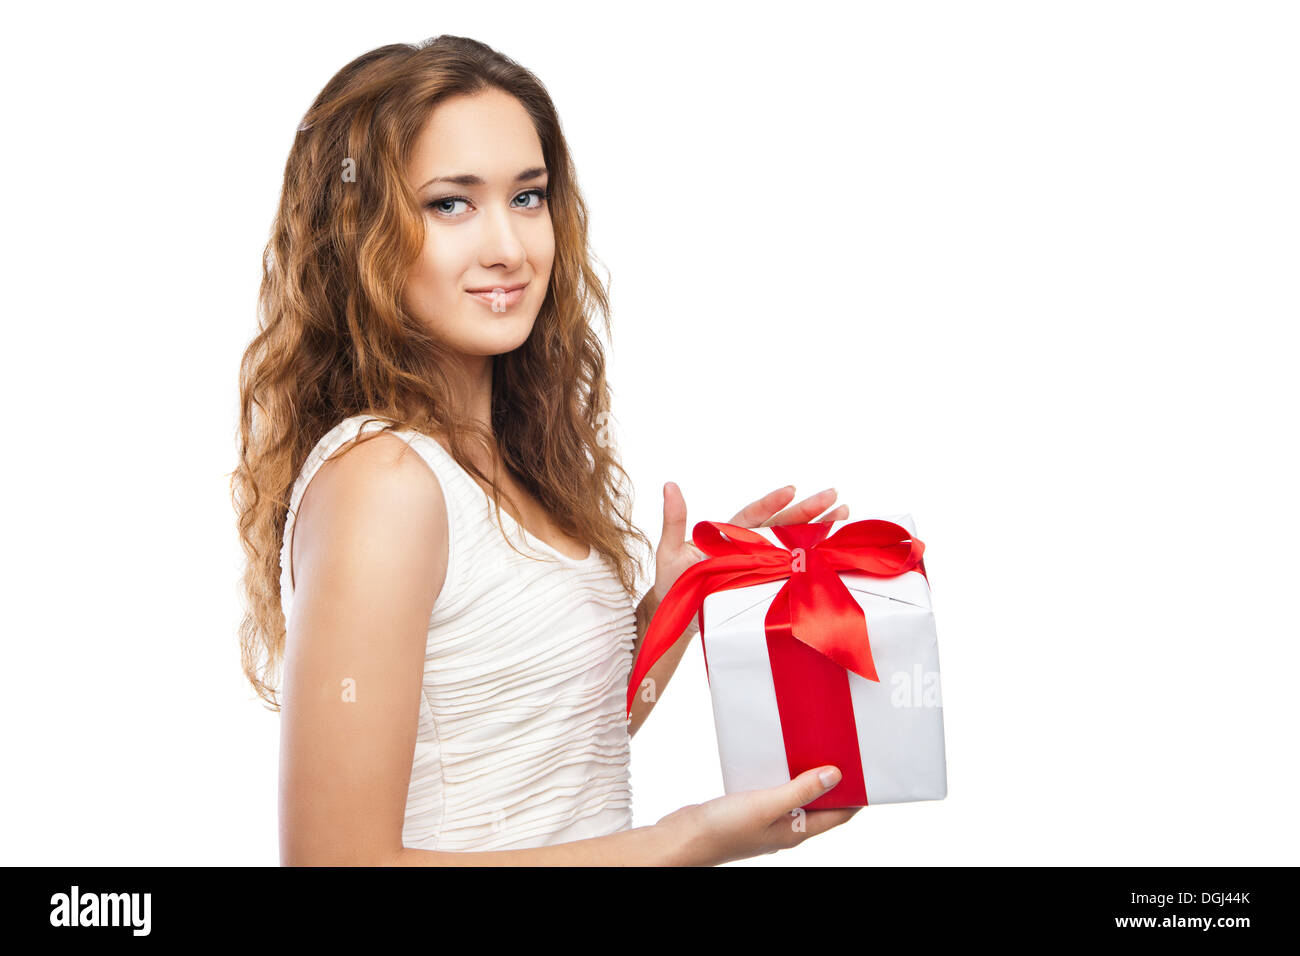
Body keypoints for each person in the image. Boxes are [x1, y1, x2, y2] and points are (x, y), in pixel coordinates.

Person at [232, 34, 859, 866]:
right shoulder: (383, 482)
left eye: (527, 198)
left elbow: (537, 741)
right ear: (357, 232)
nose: (509, 248)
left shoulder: (502, 456)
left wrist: (670, 608)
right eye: (451, 204)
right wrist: (677, 842)